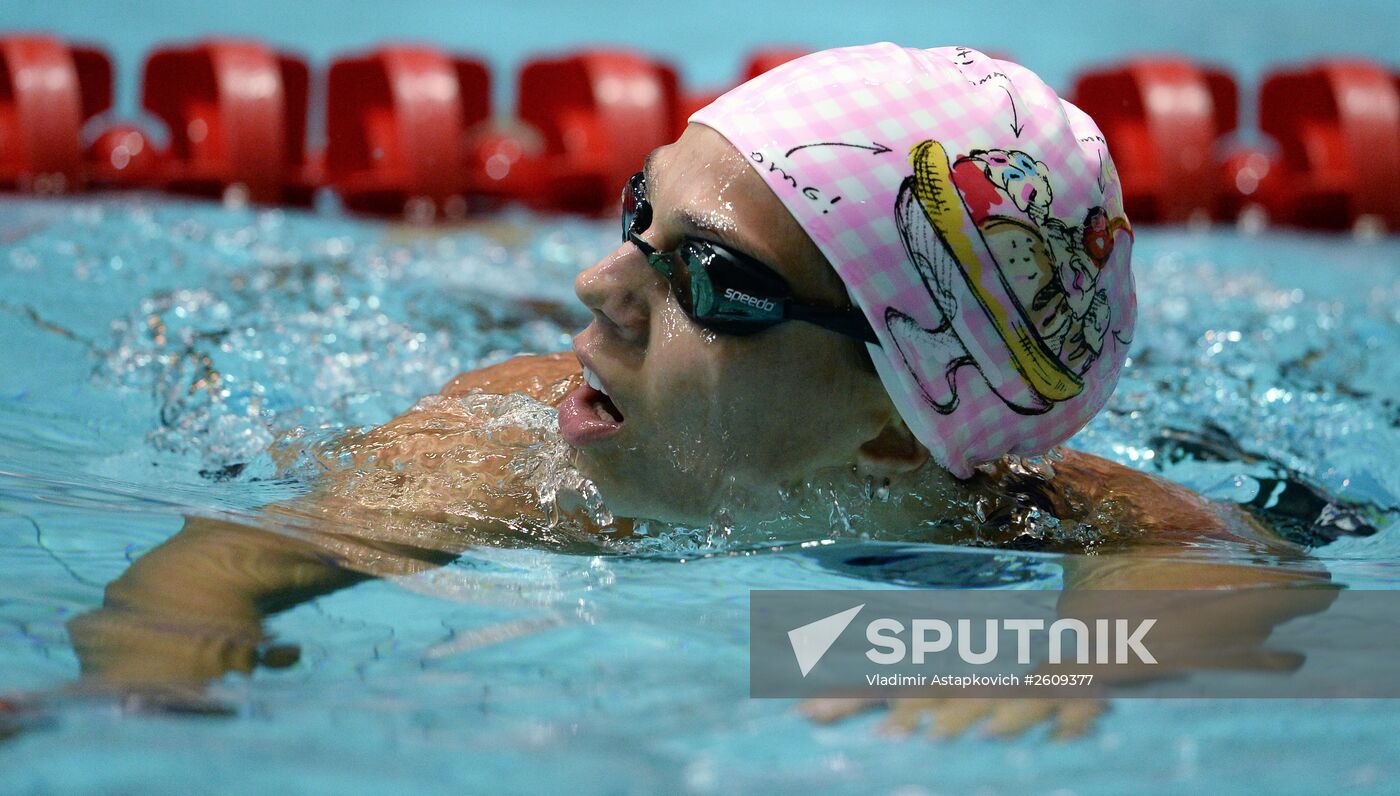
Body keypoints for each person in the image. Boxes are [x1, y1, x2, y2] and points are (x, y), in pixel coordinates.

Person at [64, 44, 1356, 739]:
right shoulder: (512, 459)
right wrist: (149, 689)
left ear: (902, 433)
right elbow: (218, 569)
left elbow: (1260, 600)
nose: (596, 284)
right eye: (638, 213)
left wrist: (1047, 653)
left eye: (717, 281)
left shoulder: (1025, 512)